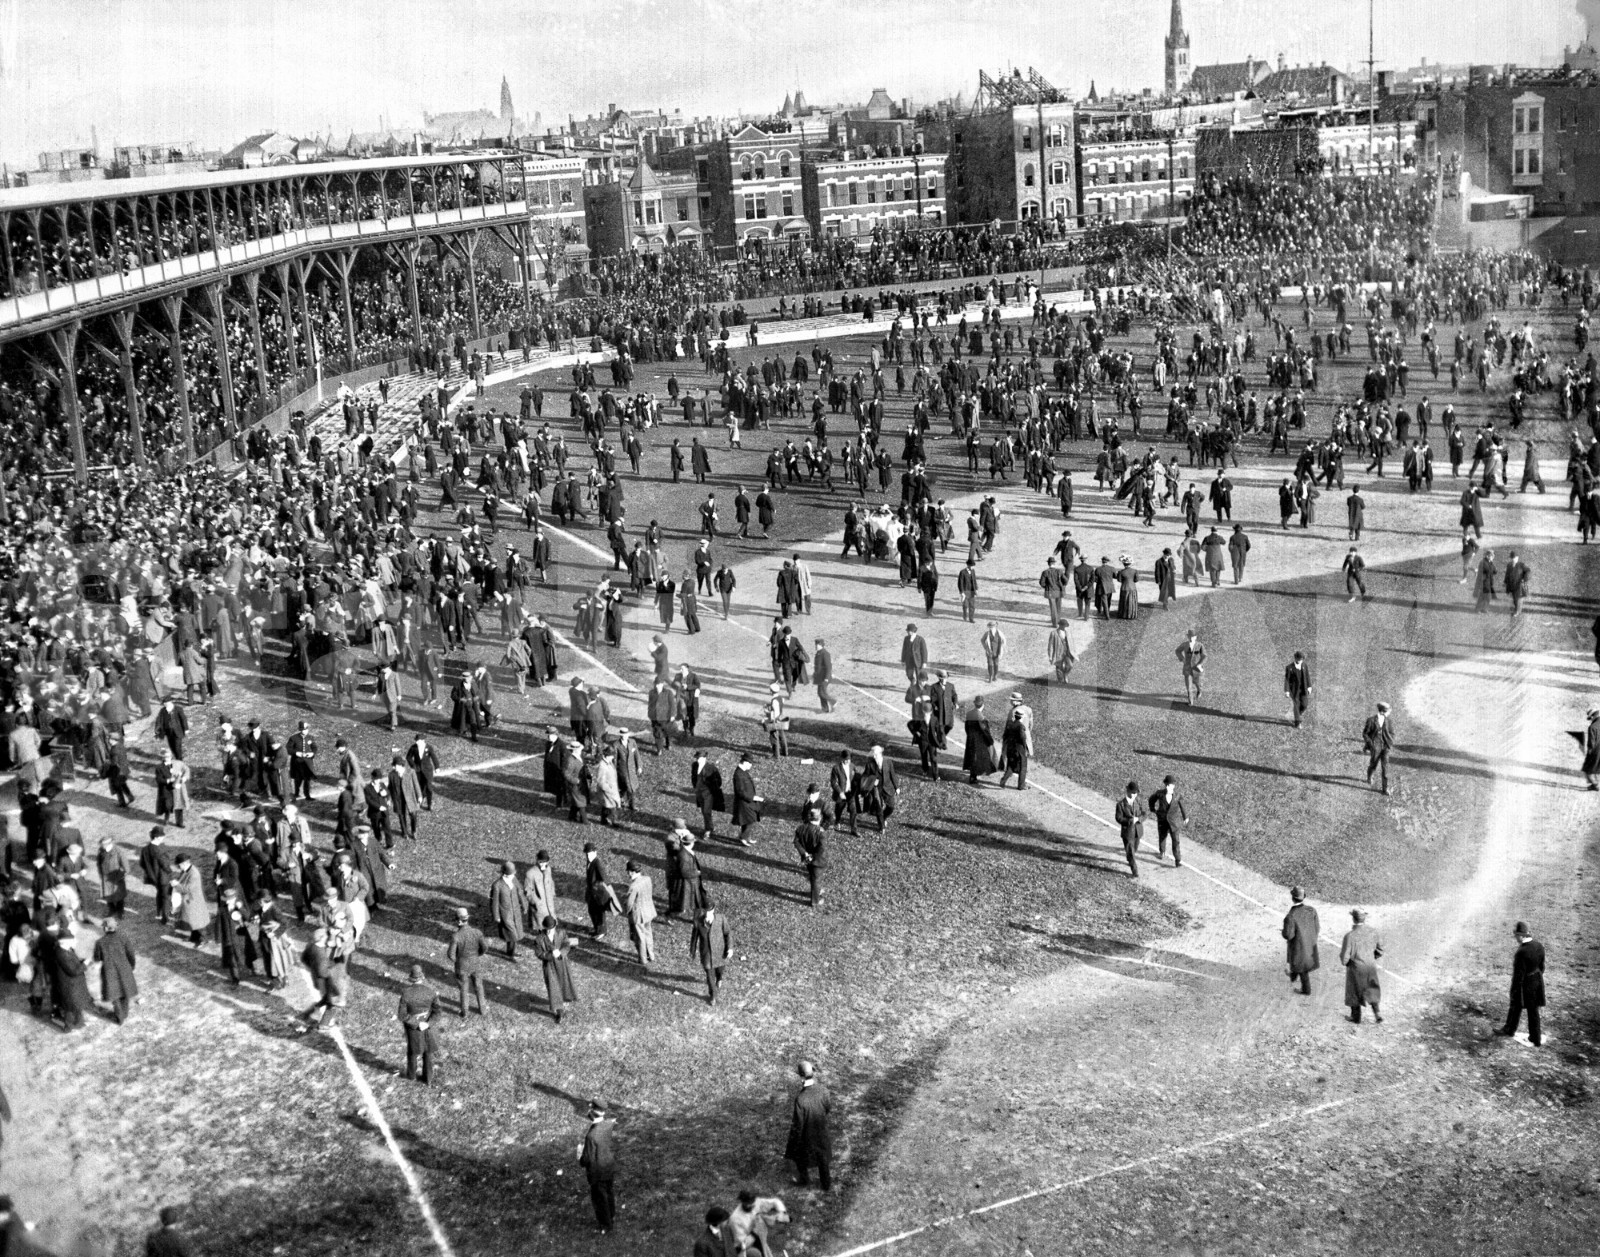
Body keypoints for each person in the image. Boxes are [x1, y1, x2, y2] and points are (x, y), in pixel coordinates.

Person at [785, 1060, 833, 1190]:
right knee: (823, 1159)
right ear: (813, 1073)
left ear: (801, 1077)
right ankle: (826, 1184)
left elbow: (798, 1124)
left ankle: (804, 1180)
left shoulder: (800, 1099)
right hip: (821, 1131)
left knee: (799, 1155)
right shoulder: (823, 1091)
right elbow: (828, 1108)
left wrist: (794, 1142)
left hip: (807, 1136)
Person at [1496, 921, 1546, 1046]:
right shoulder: (1539, 946)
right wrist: (1536, 978)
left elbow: (1518, 975)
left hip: (1525, 984)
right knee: (1533, 1011)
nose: (1515, 938)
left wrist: (1514, 990)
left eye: (1516, 935)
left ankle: (1509, 1029)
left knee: (1515, 1004)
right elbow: (1542, 966)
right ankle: (1536, 1038)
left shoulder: (1521, 952)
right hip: (1538, 981)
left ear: (1521, 936)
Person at [396, 963, 441, 1083]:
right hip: (428, 1027)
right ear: (422, 977)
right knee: (428, 1053)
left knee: (412, 1052)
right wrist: (428, 1023)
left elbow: (402, 1015)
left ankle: (411, 1076)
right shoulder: (431, 992)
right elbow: (437, 1012)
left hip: (413, 1029)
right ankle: (428, 1078)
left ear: (411, 978)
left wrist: (416, 1023)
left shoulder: (406, 994)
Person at [578, 1099, 617, 1234]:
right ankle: (612, 1215)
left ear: (592, 1112)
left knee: (599, 1199)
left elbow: (586, 1160)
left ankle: (606, 1226)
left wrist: (579, 1157)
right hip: (608, 1165)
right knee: (609, 1192)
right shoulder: (608, 1125)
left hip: (597, 1171)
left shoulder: (591, 1136)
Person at [1339, 908, 1384, 1024]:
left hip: (1356, 967)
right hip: (1370, 965)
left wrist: (1347, 963)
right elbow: (1380, 950)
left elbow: (1344, 957)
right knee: (1372, 987)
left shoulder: (1350, 936)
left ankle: (1356, 1017)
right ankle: (1377, 1012)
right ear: (1365, 918)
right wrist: (1371, 958)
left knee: (1353, 990)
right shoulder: (1373, 932)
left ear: (1353, 919)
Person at [532, 914, 578, 1023]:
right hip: (549, 966)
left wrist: (560, 952)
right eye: (546, 930)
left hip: (562, 963)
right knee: (553, 987)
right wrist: (551, 955)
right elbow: (539, 953)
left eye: (551, 929)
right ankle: (559, 1011)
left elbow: (567, 945)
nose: (549, 932)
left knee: (564, 983)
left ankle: (566, 998)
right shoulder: (539, 939)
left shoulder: (561, 933)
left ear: (555, 927)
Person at [93, 916, 138, 1023]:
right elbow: (131, 954)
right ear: (115, 927)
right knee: (125, 991)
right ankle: (125, 1013)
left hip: (109, 972)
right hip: (124, 969)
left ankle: (119, 1016)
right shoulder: (124, 938)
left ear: (105, 928)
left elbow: (97, 958)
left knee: (115, 995)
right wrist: (131, 966)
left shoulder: (100, 942)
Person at [446, 906, 489, 1017]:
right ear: (467, 919)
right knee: (479, 986)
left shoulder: (456, 936)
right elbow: (485, 948)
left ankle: (465, 1012)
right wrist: (477, 955)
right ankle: (482, 1009)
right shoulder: (477, 932)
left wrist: (458, 961)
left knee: (464, 989)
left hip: (462, 966)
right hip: (475, 963)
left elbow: (451, 955)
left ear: (458, 921)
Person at [690, 897, 732, 1003]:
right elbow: (694, 938)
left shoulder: (721, 919)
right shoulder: (698, 922)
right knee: (709, 974)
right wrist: (692, 950)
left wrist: (730, 948)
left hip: (720, 951)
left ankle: (720, 977)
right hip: (706, 953)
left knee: (719, 969)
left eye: (710, 911)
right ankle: (713, 995)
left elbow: (728, 933)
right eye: (705, 911)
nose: (707, 914)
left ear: (713, 910)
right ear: (703, 911)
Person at [1281, 887, 1320, 995]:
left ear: (1292, 898)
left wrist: (1283, 931)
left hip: (1298, 946)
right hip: (1310, 943)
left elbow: (1288, 935)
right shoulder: (1312, 910)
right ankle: (1293, 976)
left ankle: (1306, 989)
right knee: (1302, 962)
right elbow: (1317, 928)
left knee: (1301, 966)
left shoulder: (1291, 916)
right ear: (1304, 897)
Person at [489, 860, 528, 961]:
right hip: (505, 914)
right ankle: (511, 955)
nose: (513, 875)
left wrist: (524, 905)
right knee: (512, 934)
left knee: (516, 934)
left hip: (515, 912)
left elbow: (520, 892)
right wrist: (496, 916)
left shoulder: (514, 880)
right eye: (511, 873)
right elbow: (494, 902)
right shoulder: (497, 885)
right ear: (505, 874)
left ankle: (510, 952)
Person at [1147, 775, 1186, 867]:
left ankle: (1177, 859)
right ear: (1165, 785)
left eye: (1170, 785)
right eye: (1167, 785)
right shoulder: (1159, 794)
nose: (1168, 787)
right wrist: (1153, 809)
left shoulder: (1178, 796)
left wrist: (1185, 817)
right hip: (1163, 820)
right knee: (1162, 836)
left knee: (1176, 841)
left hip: (1174, 823)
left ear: (1174, 786)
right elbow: (1151, 800)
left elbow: (1182, 806)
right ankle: (1162, 851)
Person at [793, 808, 827, 908]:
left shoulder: (800, 828)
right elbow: (822, 848)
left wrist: (805, 854)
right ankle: (815, 901)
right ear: (819, 819)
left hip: (807, 859)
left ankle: (815, 891)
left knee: (812, 875)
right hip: (818, 860)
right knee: (816, 879)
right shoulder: (821, 833)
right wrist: (813, 856)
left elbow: (796, 842)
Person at [624, 861, 656, 966]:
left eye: (628, 872)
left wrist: (627, 912)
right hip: (649, 911)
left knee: (640, 937)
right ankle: (651, 955)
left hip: (639, 914)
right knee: (648, 933)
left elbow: (629, 903)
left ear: (632, 872)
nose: (628, 874)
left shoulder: (633, 886)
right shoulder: (647, 879)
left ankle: (643, 959)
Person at [1114, 781, 1146, 877]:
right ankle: (1134, 870)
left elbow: (1144, 814)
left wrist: (1138, 819)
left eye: (1136, 793)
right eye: (1133, 793)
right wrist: (1129, 821)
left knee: (1134, 849)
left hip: (1138, 831)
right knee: (1131, 852)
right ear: (1127, 791)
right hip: (1127, 832)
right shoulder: (1120, 805)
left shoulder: (1138, 801)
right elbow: (1118, 818)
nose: (1134, 795)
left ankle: (1130, 858)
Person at [1362, 702, 1395, 794]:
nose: (1389, 713)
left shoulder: (1389, 721)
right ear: (1383, 711)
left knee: (1385, 768)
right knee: (1373, 764)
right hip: (1375, 747)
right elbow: (1365, 734)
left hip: (1385, 748)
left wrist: (1390, 742)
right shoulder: (1371, 720)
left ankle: (1385, 789)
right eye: (1388, 711)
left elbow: (1392, 733)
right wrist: (1370, 744)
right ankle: (1369, 777)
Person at [732, 753, 762, 846]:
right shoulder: (738, 774)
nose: (751, 765)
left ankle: (745, 837)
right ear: (745, 762)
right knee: (750, 819)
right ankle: (743, 838)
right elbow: (740, 791)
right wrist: (753, 797)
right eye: (750, 763)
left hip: (747, 802)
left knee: (747, 820)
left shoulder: (742, 771)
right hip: (744, 802)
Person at [1176, 628, 1206, 705]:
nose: (1191, 638)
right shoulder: (1185, 644)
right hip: (1187, 668)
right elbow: (1177, 651)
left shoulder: (1200, 645)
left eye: (1193, 636)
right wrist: (1182, 659)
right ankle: (1190, 701)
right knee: (1188, 686)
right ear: (1188, 636)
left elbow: (1204, 656)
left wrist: (1200, 664)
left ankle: (1199, 690)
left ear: (1196, 637)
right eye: (1190, 636)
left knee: (1197, 683)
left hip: (1197, 669)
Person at [1284, 651, 1313, 728]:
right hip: (1294, 690)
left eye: (1302, 659)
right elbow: (1287, 679)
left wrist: (1309, 687)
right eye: (1299, 659)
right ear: (1296, 658)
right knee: (1296, 705)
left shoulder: (1304, 665)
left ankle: (1297, 715)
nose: (1301, 661)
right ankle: (1297, 722)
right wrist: (1287, 691)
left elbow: (1307, 676)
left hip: (1303, 689)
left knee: (1304, 704)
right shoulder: (1289, 667)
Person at [813, 638, 834, 712]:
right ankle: (825, 709)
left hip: (824, 677)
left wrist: (826, 678)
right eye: (816, 645)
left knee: (821, 693)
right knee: (820, 693)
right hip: (820, 677)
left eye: (817, 645)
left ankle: (832, 702)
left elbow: (828, 667)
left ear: (821, 645)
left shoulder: (825, 653)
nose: (815, 646)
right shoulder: (819, 653)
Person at [1582, 706, 1600, 791]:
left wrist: (1589, 752)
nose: (1590, 720)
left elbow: (1591, 743)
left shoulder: (1592, 727)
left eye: (1590, 718)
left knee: (1588, 769)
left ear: (1593, 716)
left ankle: (1595, 786)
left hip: (1596, 751)